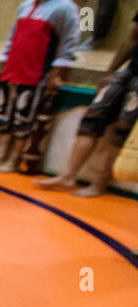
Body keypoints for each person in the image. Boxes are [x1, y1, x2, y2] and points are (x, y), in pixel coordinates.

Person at [0, 0, 80, 173]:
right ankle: (1, 153)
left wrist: (56, 73)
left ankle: (14, 157)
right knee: (4, 113)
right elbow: (12, 37)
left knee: (24, 116)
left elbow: (68, 44)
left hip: (36, 72)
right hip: (13, 69)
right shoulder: (26, 5)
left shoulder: (65, 8)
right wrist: (2, 61)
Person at [36, 10, 138, 197]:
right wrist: (111, 70)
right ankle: (68, 175)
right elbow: (133, 38)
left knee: (121, 128)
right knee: (92, 118)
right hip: (130, 70)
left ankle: (100, 184)